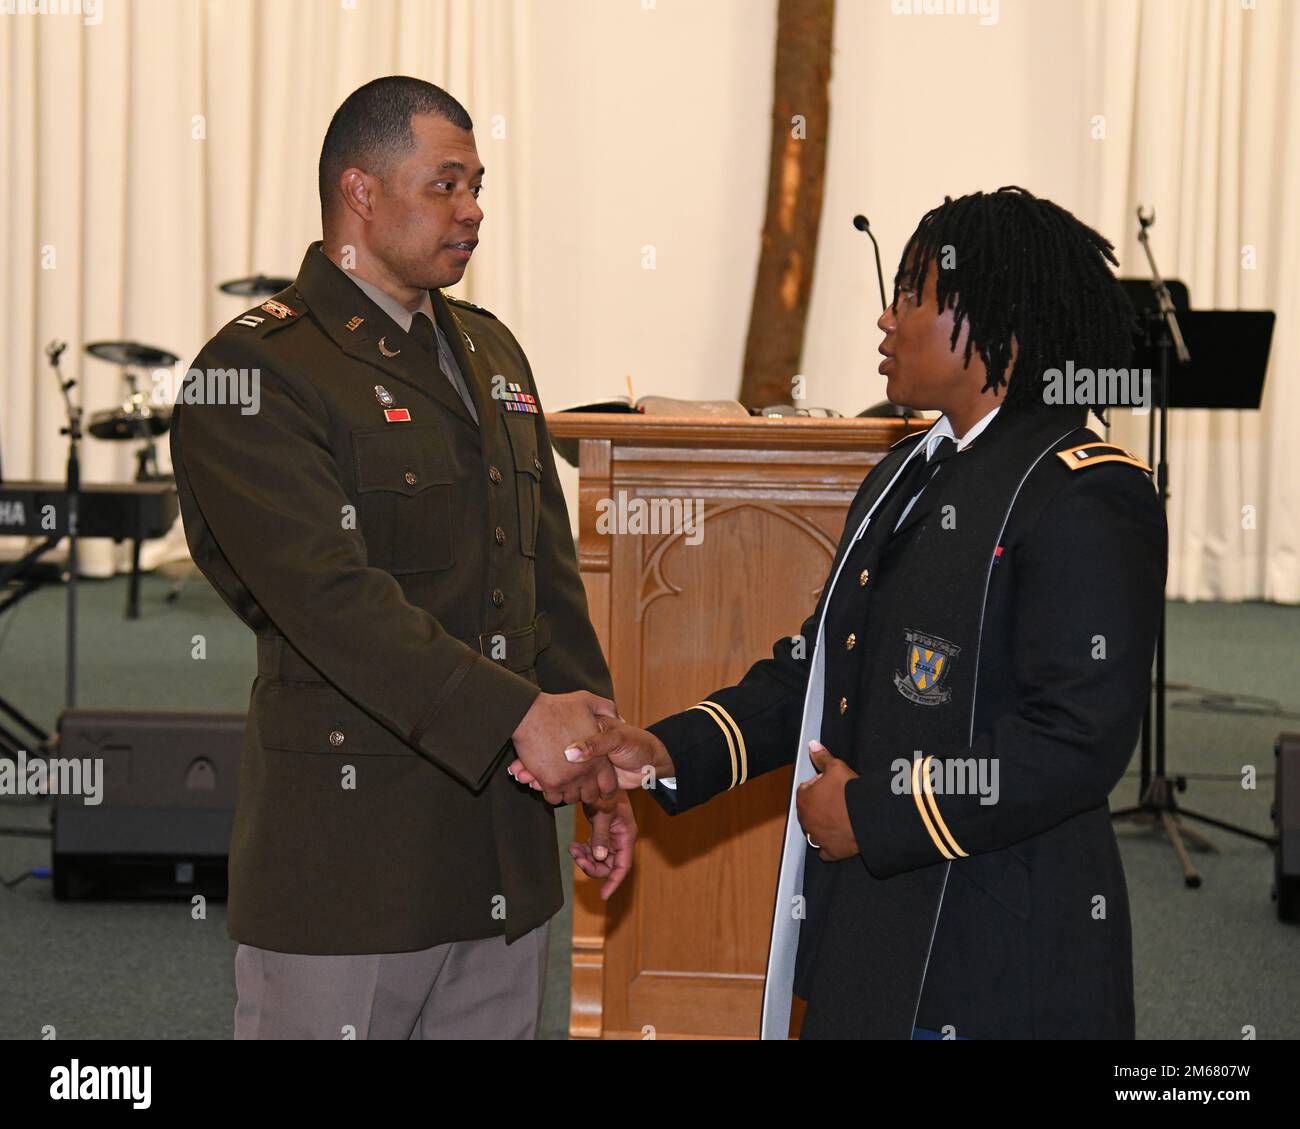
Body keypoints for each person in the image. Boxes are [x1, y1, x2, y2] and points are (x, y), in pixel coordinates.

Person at [530, 186, 1166, 1039]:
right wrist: (666, 750)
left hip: (996, 949)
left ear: (997, 330)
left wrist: (878, 815)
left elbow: (1075, 741)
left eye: (912, 295)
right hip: (871, 922)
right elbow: (819, 669)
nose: (885, 319)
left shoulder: (1087, 491)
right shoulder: (904, 472)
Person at [171, 76, 632, 1040]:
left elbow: (544, 565)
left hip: (501, 857)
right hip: (353, 861)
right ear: (361, 193)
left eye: (478, 185)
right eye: (446, 184)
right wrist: (525, 720)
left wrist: (594, 758)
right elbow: (332, 602)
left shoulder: (492, 352)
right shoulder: (256, 373)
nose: (473, 210)